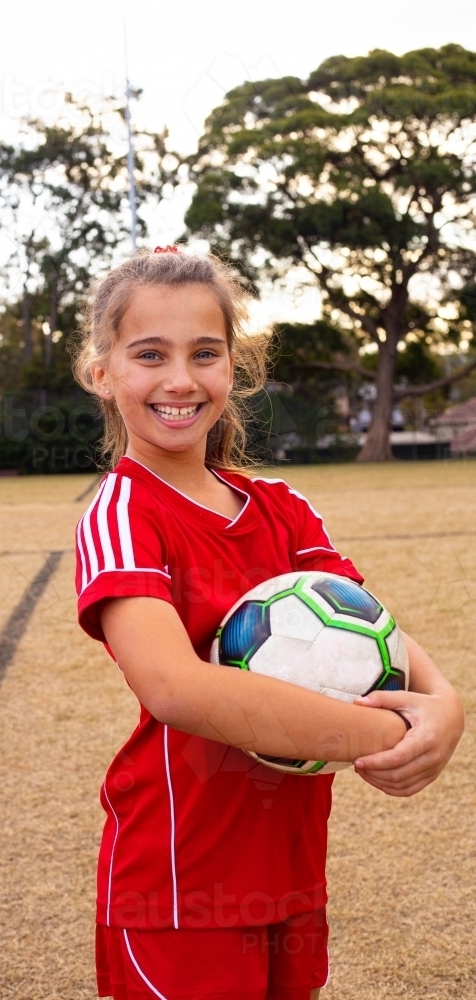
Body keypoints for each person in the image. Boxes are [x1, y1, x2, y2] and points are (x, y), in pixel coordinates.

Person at [72, 248, 464, 1000]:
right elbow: (174, 688)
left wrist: (444, 704)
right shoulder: (123, 514)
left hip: (290, 868)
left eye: (204, 353)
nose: (180, 380)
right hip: (179, 883)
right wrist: (386, 734)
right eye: (149, 355)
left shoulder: (283, 507)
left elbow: (375, 630)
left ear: (234, 367)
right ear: (103, 372)